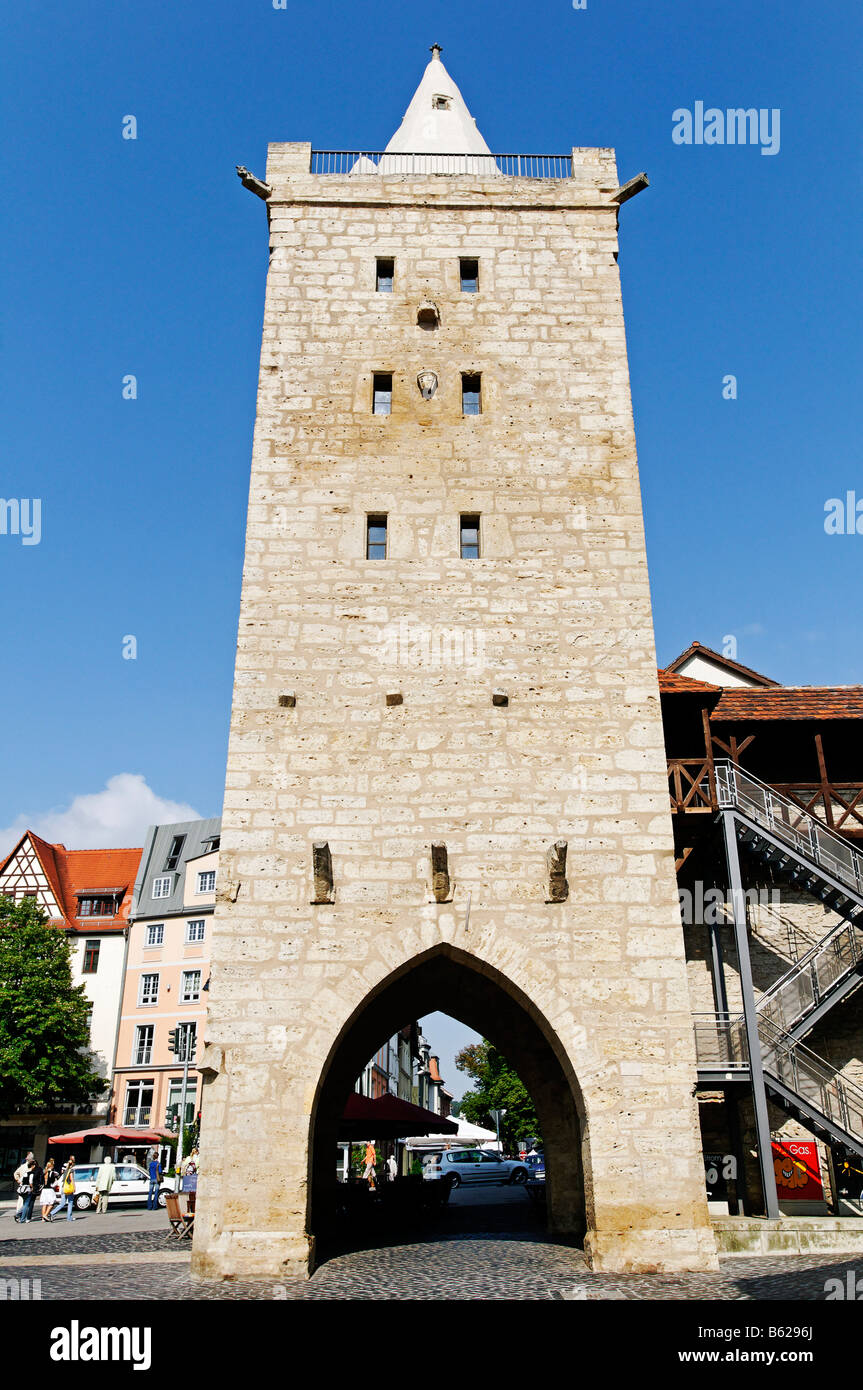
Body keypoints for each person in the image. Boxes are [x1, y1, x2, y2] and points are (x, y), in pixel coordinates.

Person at [51, 1156, 76, 1222]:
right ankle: (69, 1217)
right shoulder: (71, 1170)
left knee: (62, 1203)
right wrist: (74, 1187)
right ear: (72, 1164)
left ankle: (52, 1213)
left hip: (63, 1187)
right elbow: (72, 1179)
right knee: (70, 1202)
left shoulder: (65, 1171)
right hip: (68, 1188)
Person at [13, 1152, 34, 1223]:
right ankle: (20, 1215)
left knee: (20, 1201)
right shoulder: (29, 1168)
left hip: (21, 1186)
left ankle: (18, 1213)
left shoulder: (22, 1166)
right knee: (25, 1203)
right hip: (27, 1187)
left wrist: (18, 1180)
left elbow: (15, 1173)